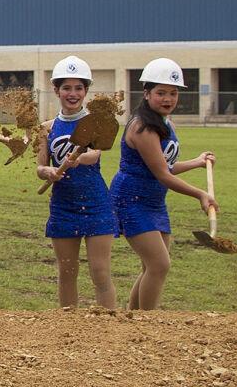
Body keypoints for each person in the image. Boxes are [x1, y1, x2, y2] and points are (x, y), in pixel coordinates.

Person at [111, 59, 217, 312]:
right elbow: (163, 174)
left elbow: (166, 164)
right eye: (161, 93)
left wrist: (197, 162)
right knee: (159, 265)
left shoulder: (165, 123)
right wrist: (200, 194)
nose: (168, 98)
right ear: (146, 94)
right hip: (131, 200)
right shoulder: (143, 127)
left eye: (173, 92)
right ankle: (148, 321)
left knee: (152, 266)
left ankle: (134, 318)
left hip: (154, 201)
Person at [35, 55, 117, 309]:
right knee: (67, 273)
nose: (73, 94)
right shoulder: (46, 128)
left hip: (97, 204)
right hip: (63, 206)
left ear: (86, 91)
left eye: (79, 88)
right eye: (67, 88)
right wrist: (48, 171)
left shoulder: (95, 124)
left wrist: (77, 159)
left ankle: (109, 327)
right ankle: (68, 328)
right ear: (56, 90)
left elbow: (95, 155)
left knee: (100, 272)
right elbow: (40, 166)